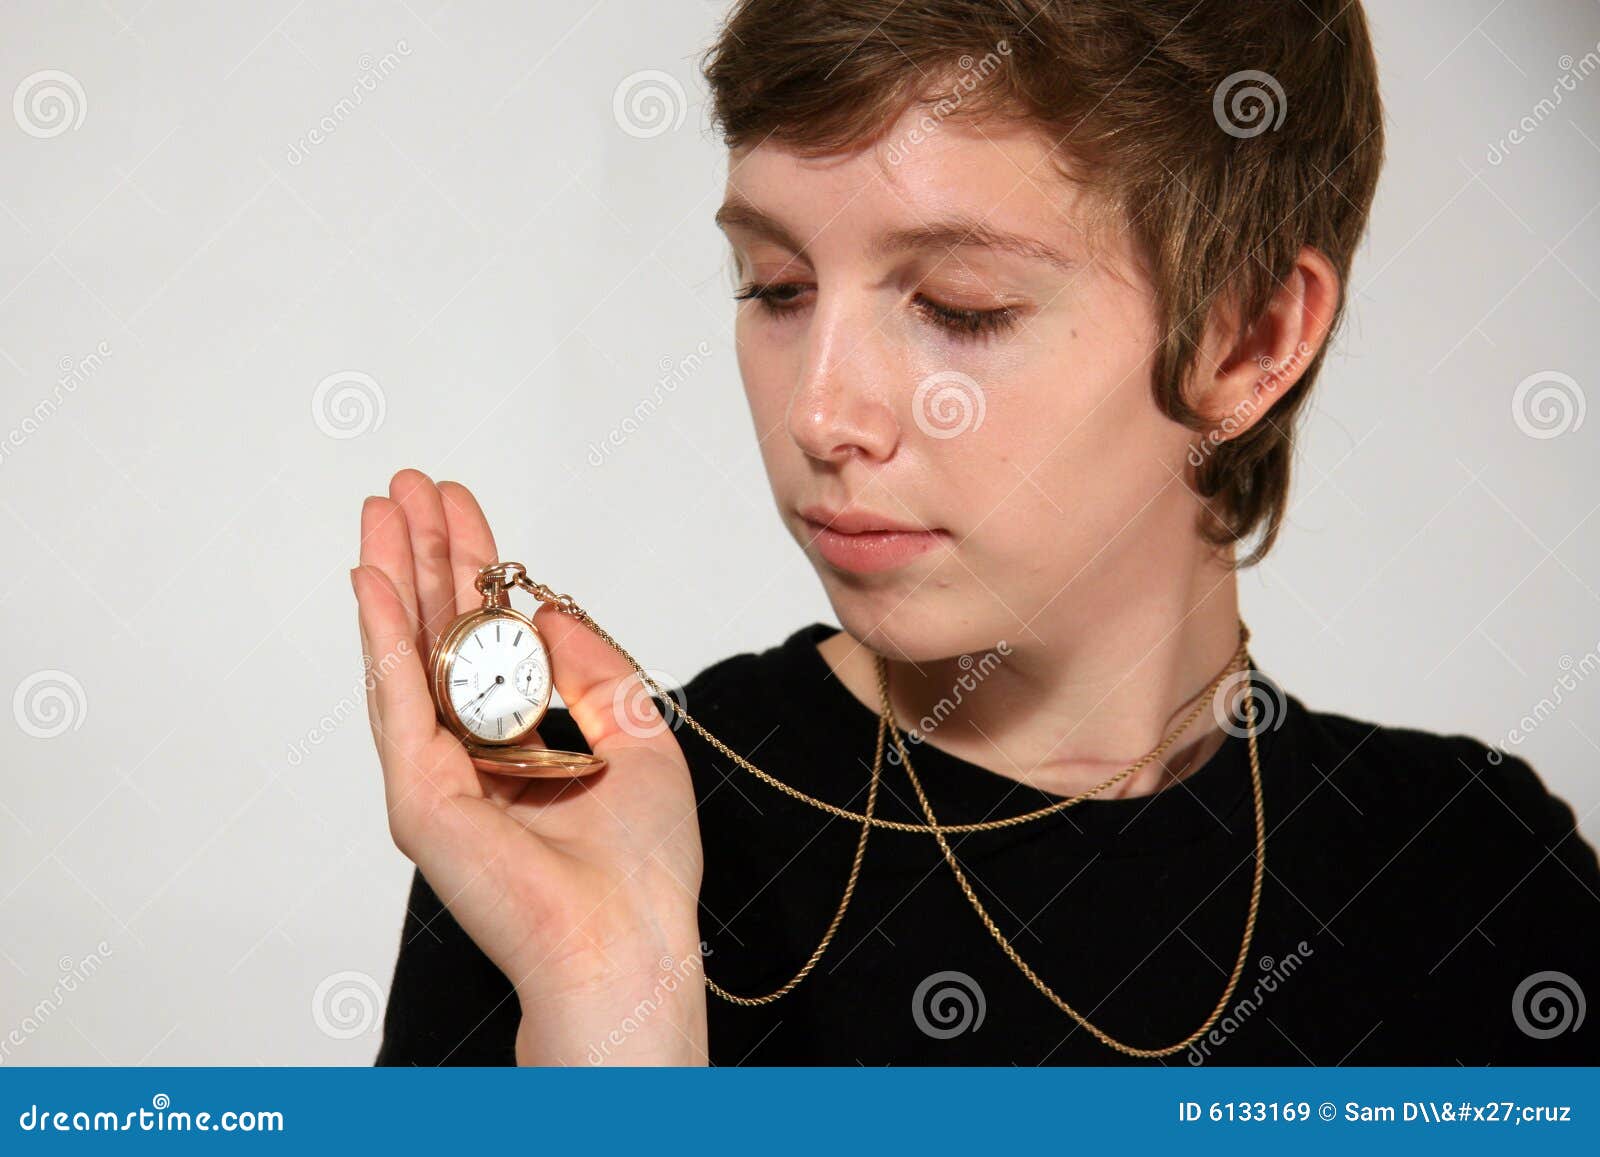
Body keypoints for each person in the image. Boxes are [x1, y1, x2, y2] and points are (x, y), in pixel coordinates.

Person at [350, 0, 1600, 1065]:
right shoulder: (575, 838)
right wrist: (615, 1022)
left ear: (1251, 338)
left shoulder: (1471, 873)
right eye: (775, 286)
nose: (821, 410)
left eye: (960, 306)